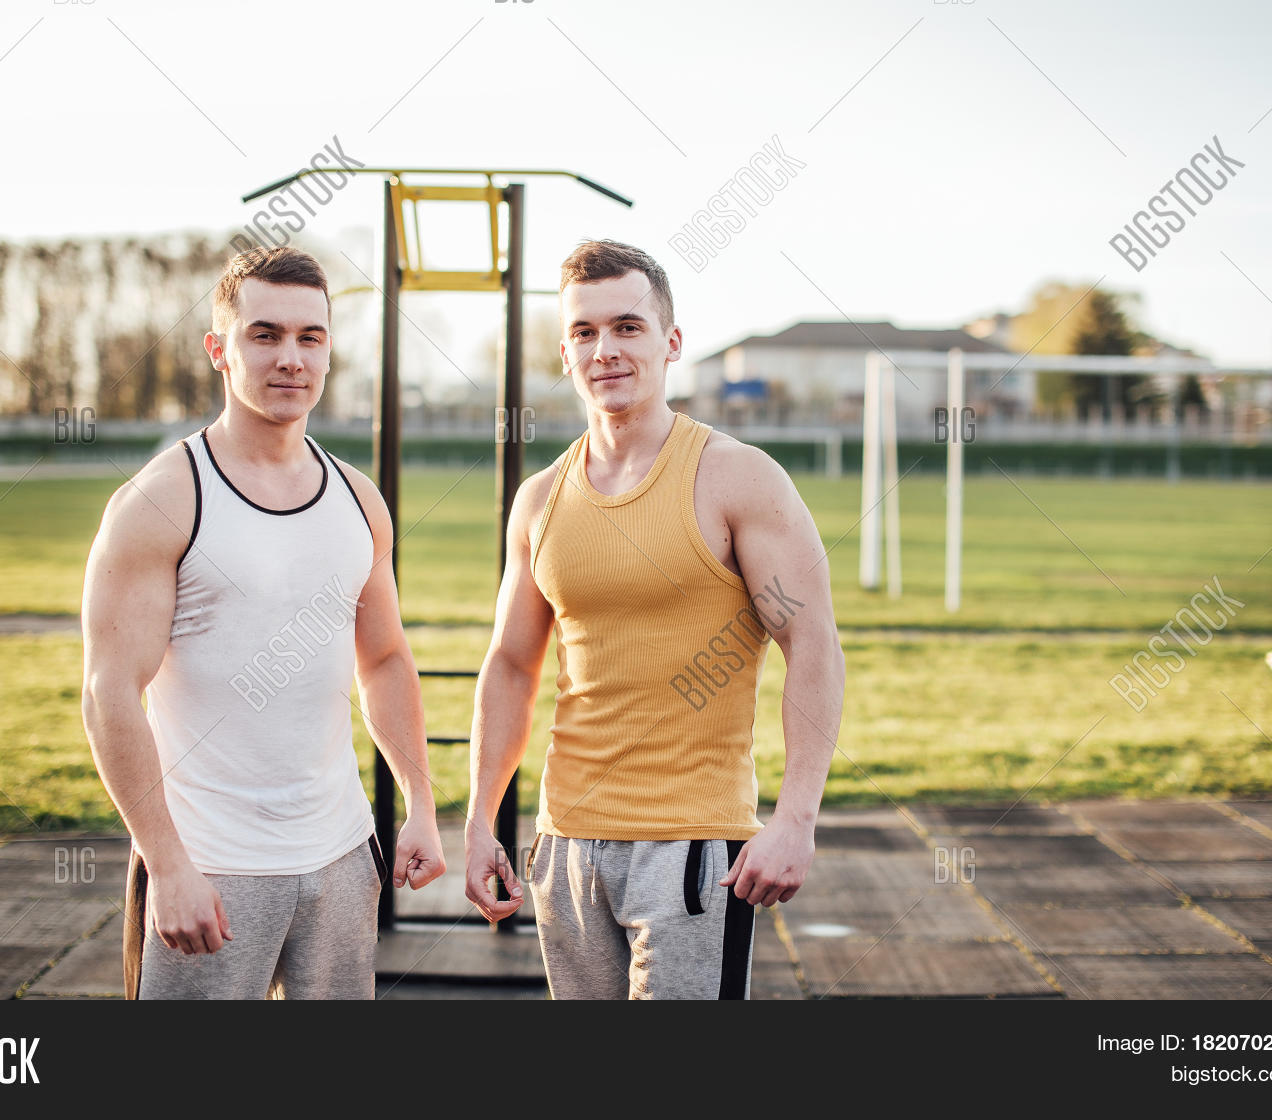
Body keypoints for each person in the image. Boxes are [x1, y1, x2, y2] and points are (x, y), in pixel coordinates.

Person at [464, 240, 846, 999]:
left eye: (628, 327)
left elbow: (812, 643)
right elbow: (511, 663)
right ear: (566, 350)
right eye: (583, 332)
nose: (605, 349)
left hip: (693, 846)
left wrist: (796, 817)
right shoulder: (540, 499)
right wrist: (480, 818)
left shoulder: (737, 477)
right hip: (565, 844)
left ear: (671, 343)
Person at [82, 246, 444, 1000]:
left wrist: (419, 806)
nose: (290, 358)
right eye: (265, 334)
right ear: (219, 348)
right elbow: (109, 692)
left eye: (310, 337)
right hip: (209, 864)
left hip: (342, 857)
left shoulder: (358, 500)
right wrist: (169, 865)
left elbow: (383, 661)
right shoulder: (163, 500)